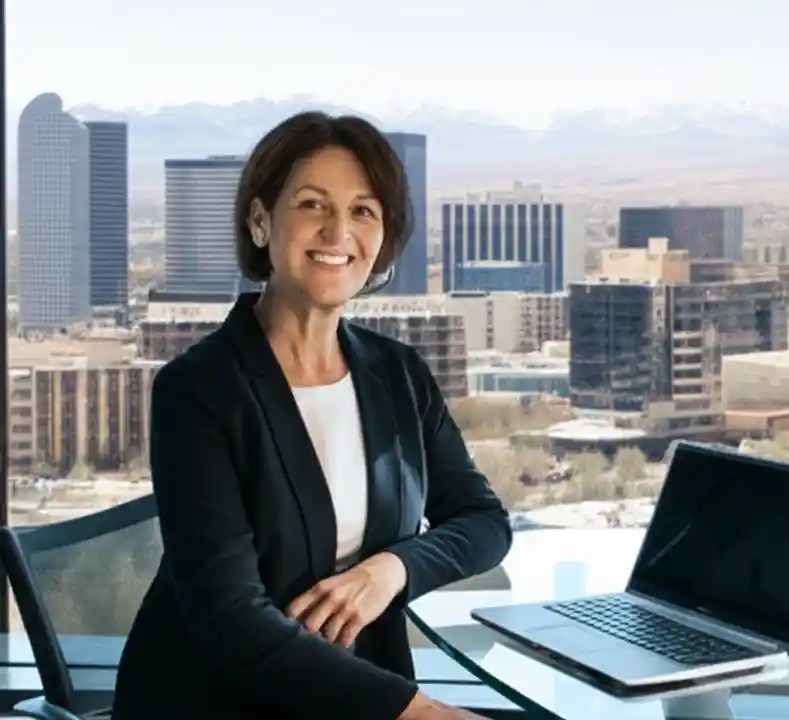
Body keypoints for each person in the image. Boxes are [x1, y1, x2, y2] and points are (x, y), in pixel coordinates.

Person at [113, 112, 512, 719]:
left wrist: (391, 569)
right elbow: (230, 616)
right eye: (311, 204)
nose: (337, 231)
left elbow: (484, 522)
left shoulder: (398, 374)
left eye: (363, 210)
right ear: (259, 220)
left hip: (356, 695)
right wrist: (419, 714)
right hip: (219, 703)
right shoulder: (198, 390)